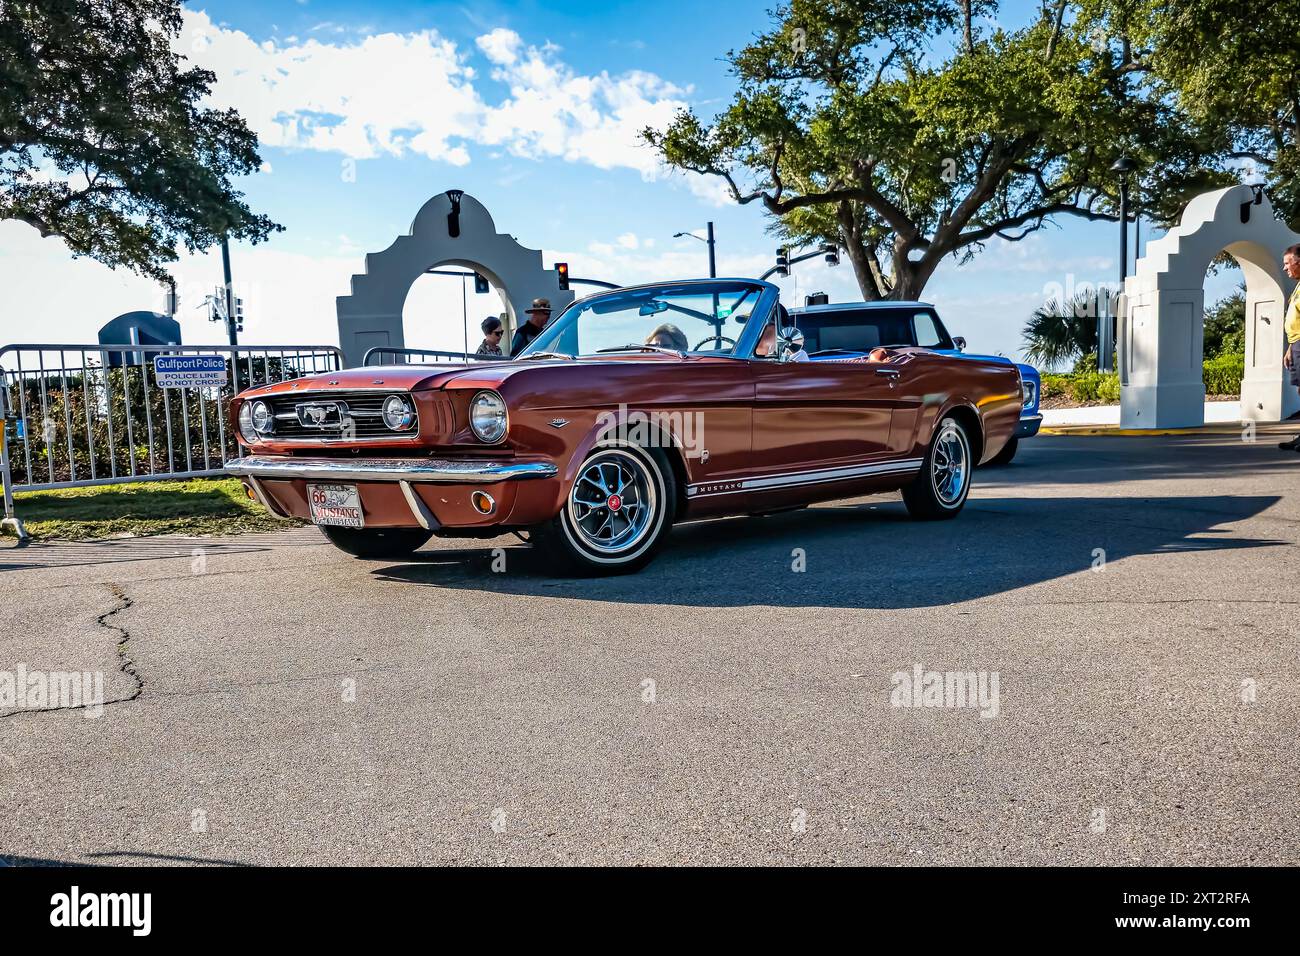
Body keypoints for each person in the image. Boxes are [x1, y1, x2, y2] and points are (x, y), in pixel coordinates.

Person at [1280, 244, 1300, 450]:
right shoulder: (1298, 286)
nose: (1285, 268)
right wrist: (1290, 347)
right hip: (1296, 344)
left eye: (1288, 263)